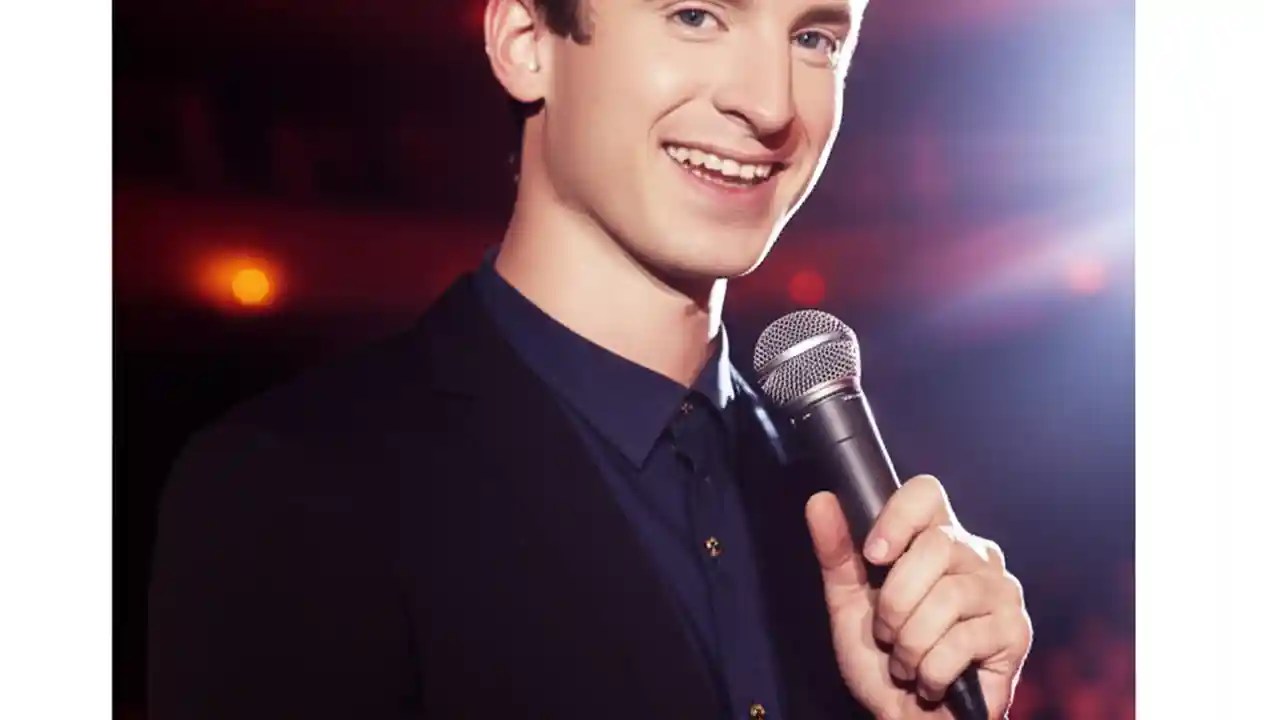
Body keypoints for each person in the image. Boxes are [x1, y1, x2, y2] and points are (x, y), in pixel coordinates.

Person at [147, 1, 1033, 718]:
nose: (770, 104)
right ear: (527, 40)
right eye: (696, 15)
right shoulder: (291, 484)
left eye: (812, 36)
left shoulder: (851, 517)